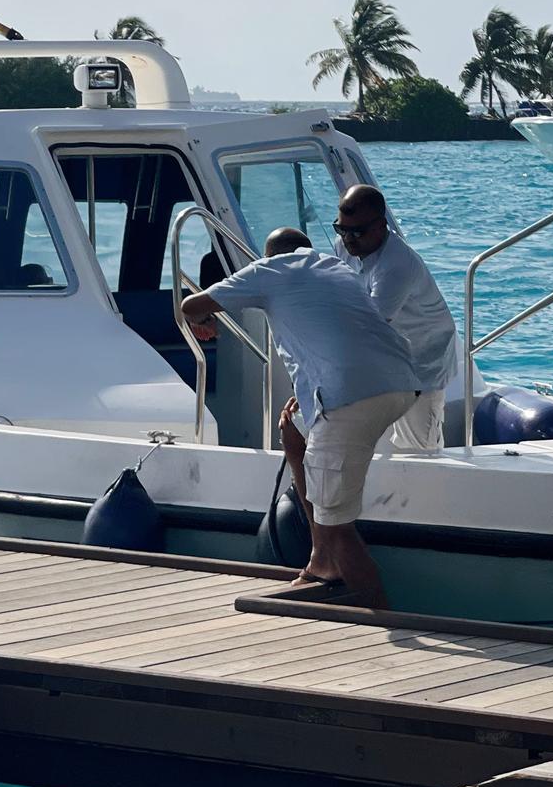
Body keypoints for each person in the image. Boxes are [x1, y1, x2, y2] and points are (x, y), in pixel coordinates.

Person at [180, 227, 420, 605]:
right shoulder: (335, 267)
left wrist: (202, 320)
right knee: (295, 437)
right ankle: (321, 562)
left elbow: (191, 306)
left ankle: (381, 613)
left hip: (350, 399)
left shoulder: (270, 269)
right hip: (401, 385)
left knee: (338, 526)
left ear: (269, 256)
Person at [331, 184, 461, 452]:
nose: (348, 239)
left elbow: (369, 328)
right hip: (386, 359)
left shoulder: (396, 265)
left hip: (421, 363)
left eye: (357, 232)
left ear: (381, 226)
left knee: (420, 451)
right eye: (341, 229)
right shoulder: (344, 245)